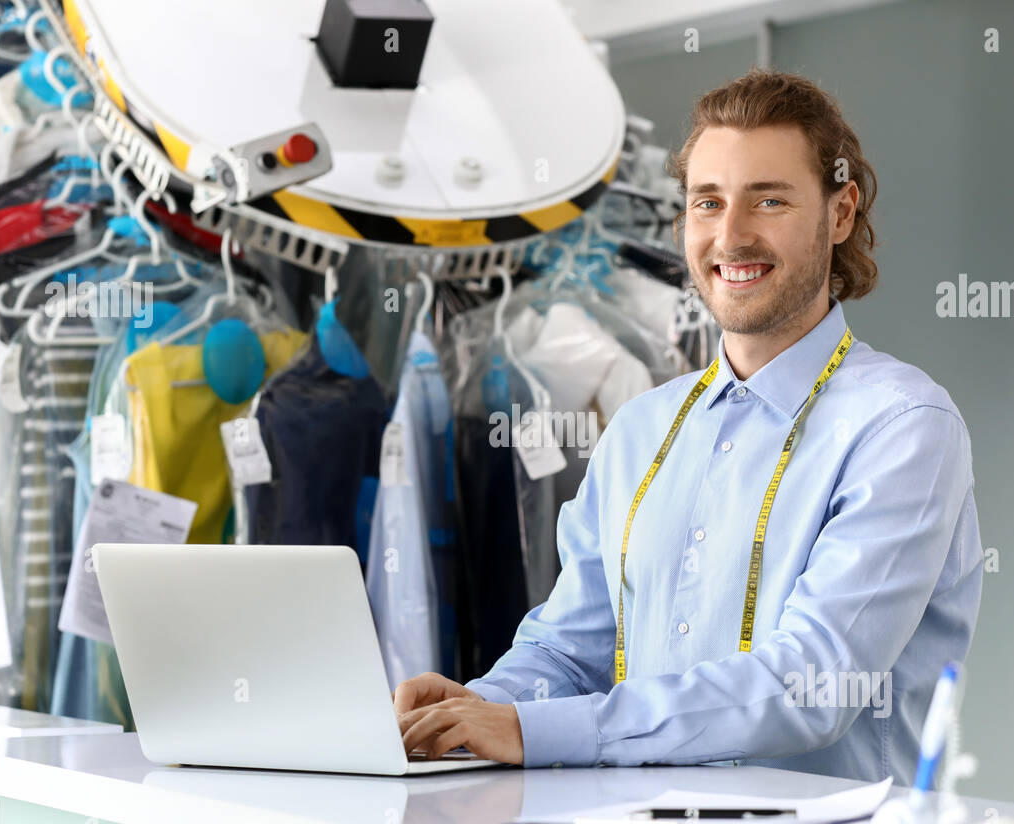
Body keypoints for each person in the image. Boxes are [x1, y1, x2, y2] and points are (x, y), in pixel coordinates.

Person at [394, 68, 982, 783]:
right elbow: (570, 647)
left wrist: (527, 728)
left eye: (769, 200)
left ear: (840, 212)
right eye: (707, 202)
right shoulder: (640, 429)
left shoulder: (902, 427)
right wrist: (470, 710)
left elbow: (810, 686)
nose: (730, 237)